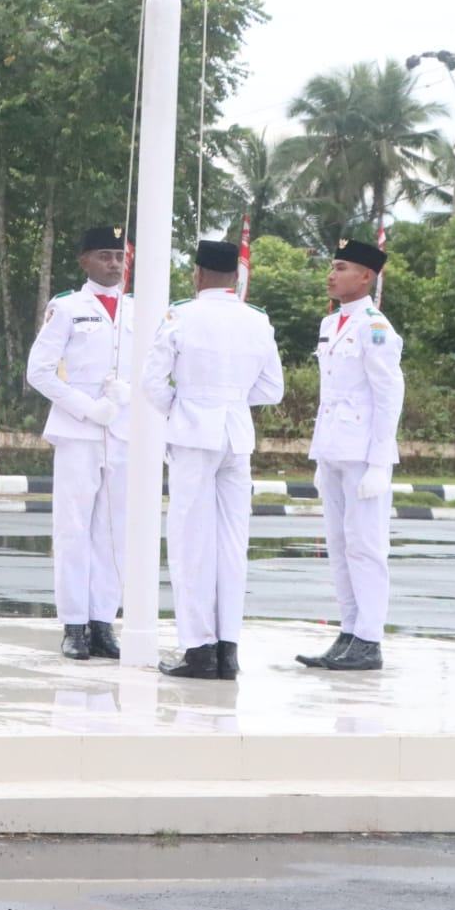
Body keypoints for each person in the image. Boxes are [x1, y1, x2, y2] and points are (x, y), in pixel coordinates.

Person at [143, 241, 285, 680]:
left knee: (190, 544)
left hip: (193, 434)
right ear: (235, 278)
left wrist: (180, 407)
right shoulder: (257, 319)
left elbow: (151, 382)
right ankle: (228, 649)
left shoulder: (181, 314)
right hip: (236, 436)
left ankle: (198, 649)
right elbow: (272, 390)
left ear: (198, 274)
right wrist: (234, 401)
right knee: (231, 545)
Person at [25, 226, 134, 660]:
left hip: (124, 433)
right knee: (73, 529)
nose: (114, 263)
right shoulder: (67, 308)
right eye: (104, 255)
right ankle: (74, 624)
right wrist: (88, 408)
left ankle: (103, 621)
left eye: (119, 256)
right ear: (84, 261)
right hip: (79, 431)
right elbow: (40, 372)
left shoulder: (140, 310)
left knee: (114, 532)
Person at [297, 238, 405, 672]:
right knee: (340, 547)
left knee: (367, 547)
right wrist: (319, 456)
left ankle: (369, 640)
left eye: (341, 267)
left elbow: (388, 393)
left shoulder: (375, 327)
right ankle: (349, 631)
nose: (331, 273)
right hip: (334, 449)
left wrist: (381, 461)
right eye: (332, 266)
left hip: (363, 454)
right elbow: (331, 395)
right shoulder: (332, 324)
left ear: (366, 276)